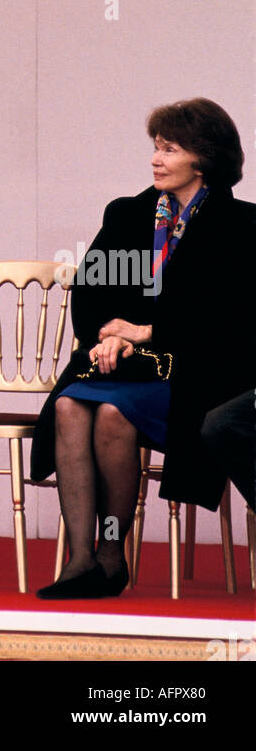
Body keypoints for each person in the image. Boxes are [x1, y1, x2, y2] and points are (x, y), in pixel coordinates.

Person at [31, 98, 256, 599]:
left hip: (196, 372)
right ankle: (80, 558)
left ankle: (112, 556)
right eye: (155, 147)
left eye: (169, 149)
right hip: (117, 364)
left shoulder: (240, 226)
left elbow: (232, 316)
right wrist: (107, 337)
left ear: (203, 158)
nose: (155, 159)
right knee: (69, 405)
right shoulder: (128, 214)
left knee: (112, 414)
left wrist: (149, 332)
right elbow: (90, 293)